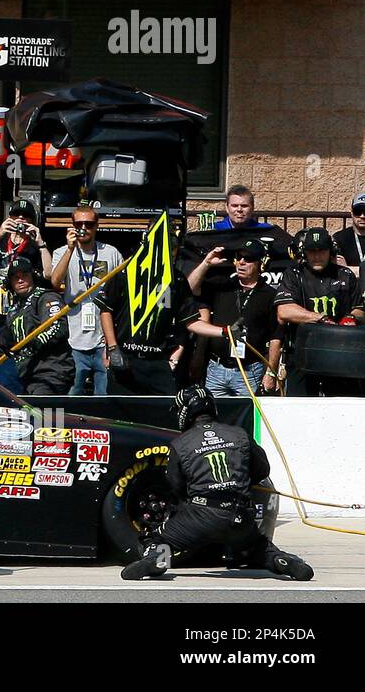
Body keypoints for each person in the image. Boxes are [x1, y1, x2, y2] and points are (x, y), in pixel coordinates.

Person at [121, 386, 313, 581]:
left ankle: (157, 558)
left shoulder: (181, 443)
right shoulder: (239, 434)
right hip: (240, 515)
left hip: (202, 514)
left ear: (185, 412)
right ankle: (280, 560)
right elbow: (262, 470)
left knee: (154, 538)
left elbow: (176, 486)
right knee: (257, 547)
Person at [96, 265, 235, 395]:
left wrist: (224, 331)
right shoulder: (126, 272)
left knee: (164, 415)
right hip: (126, 360)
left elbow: (190, 321)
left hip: (159, 363)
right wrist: (113, 347)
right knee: (121, 416)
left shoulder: (177, 279)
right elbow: (106, 309)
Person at [0, 199, 52, 393]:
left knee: (9, 382)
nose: (20, 219)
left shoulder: (35, 247)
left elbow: (49, 274)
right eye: (16, 215)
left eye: (26, 217)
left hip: (14, 321)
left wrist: (40, 242)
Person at [274, 227, 364, 396]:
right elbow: (284, 310)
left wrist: (352, 317)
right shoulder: (294, 275)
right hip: (303, 356)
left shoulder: (345, 275)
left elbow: (360, 309)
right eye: (312, 251)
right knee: (300, 410)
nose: (316, 256)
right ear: (304, 253)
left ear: (330, 251)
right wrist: (320, 318)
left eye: (321, 251)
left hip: (339, 356)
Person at [187, 239, 282, 397]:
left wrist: (271, 374)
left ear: (260, 264)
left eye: (249, 258)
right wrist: (206, 263)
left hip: (250, 370)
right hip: (217, 368)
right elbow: (190, 288)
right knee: (213, 415)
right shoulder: (222, 285)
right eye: (239, 257)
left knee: (247, 418)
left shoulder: (270, 295)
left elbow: (276, 338)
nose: (242, 262)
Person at [48, 203, 122, 396]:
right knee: (73, 392)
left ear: (97, 226)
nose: (83, 228)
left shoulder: (111, 253)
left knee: (104, 395)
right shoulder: (61, 252)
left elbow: (123, 289)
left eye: (89, 224)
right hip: (74, 338)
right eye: (79, 224)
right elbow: (55, 282)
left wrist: (112, 343)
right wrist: (70, 249)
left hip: (102, 337)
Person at [0, 258, 75, 395]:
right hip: (29, 376)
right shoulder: (14, 311)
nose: (20, 280)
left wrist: (34, 342)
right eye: (15, 277)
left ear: (33, 277)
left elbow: (58, 327)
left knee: (41, 414)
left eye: (25, 275)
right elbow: (0, 343)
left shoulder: (46, 297)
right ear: (10, 283)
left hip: (52, 372)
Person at [331, 190, 365, 278]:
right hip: (350, 288)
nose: (362, 216)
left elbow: (345, 270)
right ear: (352, 213)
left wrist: (348, 268)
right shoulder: (339, 238)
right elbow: (339, 271)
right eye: (358, 211)